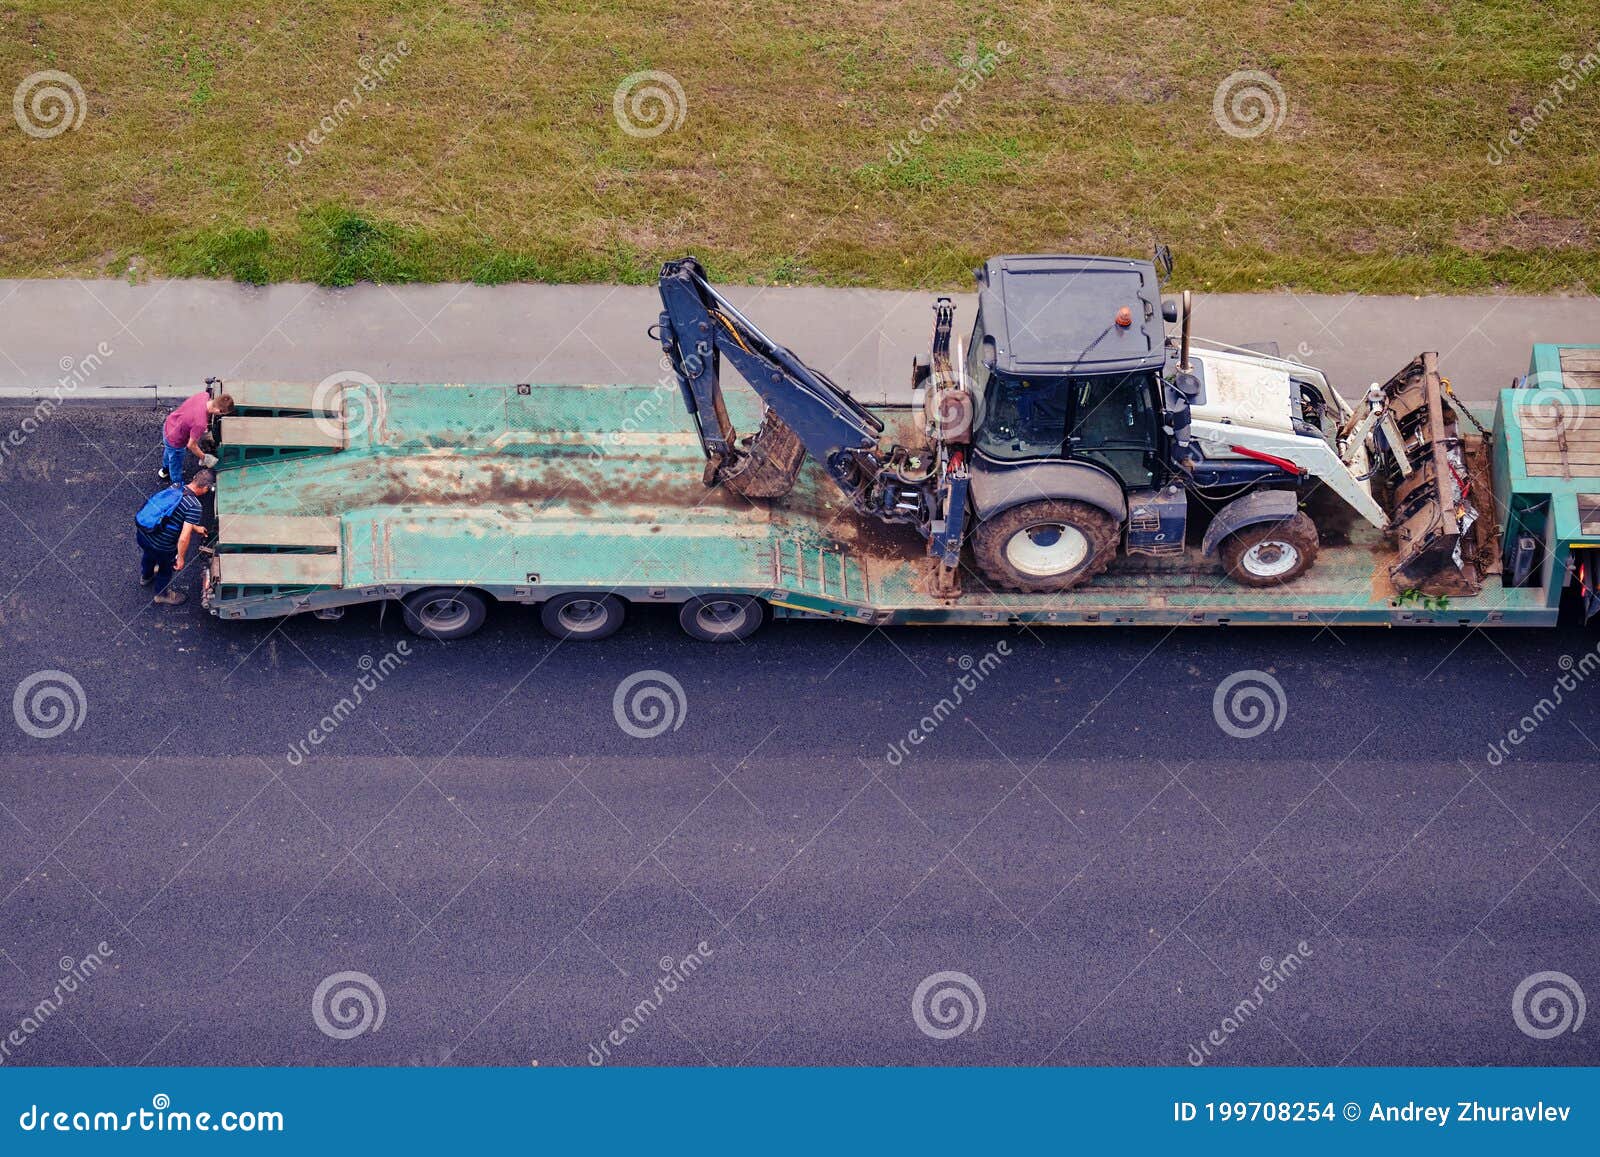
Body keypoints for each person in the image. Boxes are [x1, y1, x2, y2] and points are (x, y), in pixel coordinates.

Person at [137, 468, 214, 606]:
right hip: (162, 546)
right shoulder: (194, 506)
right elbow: (184, 537)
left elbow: (170, 515)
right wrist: (181, 558)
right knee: (166, 569)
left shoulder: (176, 487)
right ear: (206, 488)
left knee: (148, 555)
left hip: (144, 535)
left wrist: (195, 527)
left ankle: (146, 577)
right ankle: (162, 595)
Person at [158, 388, 233, 482]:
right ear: (219, 410)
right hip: (176, 439)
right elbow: (191, 445)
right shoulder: (200, 423)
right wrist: (204, 457)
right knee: (176, 465)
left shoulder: (203, 395)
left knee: (169, 451)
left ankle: (165, 470)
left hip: (169, 424)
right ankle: (177, 487)